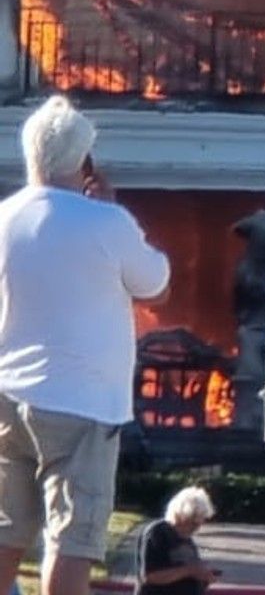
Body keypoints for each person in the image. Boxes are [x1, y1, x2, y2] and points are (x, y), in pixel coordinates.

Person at [0, 96, 170, 595]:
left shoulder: (4, 218)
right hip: (83, 403)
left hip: (8, 396)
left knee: (7, 529)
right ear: (85, 162)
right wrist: (114, 212)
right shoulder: (106, 223)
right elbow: (156, 286)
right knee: (74, 538)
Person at [138, 487, 219, 595]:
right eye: (193, 522)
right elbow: (150, 576)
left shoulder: (187, 540)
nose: (197, 528)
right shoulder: (158, 533)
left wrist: (204, 576)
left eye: (200, 522)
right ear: (180, 515)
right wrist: (189, 571)